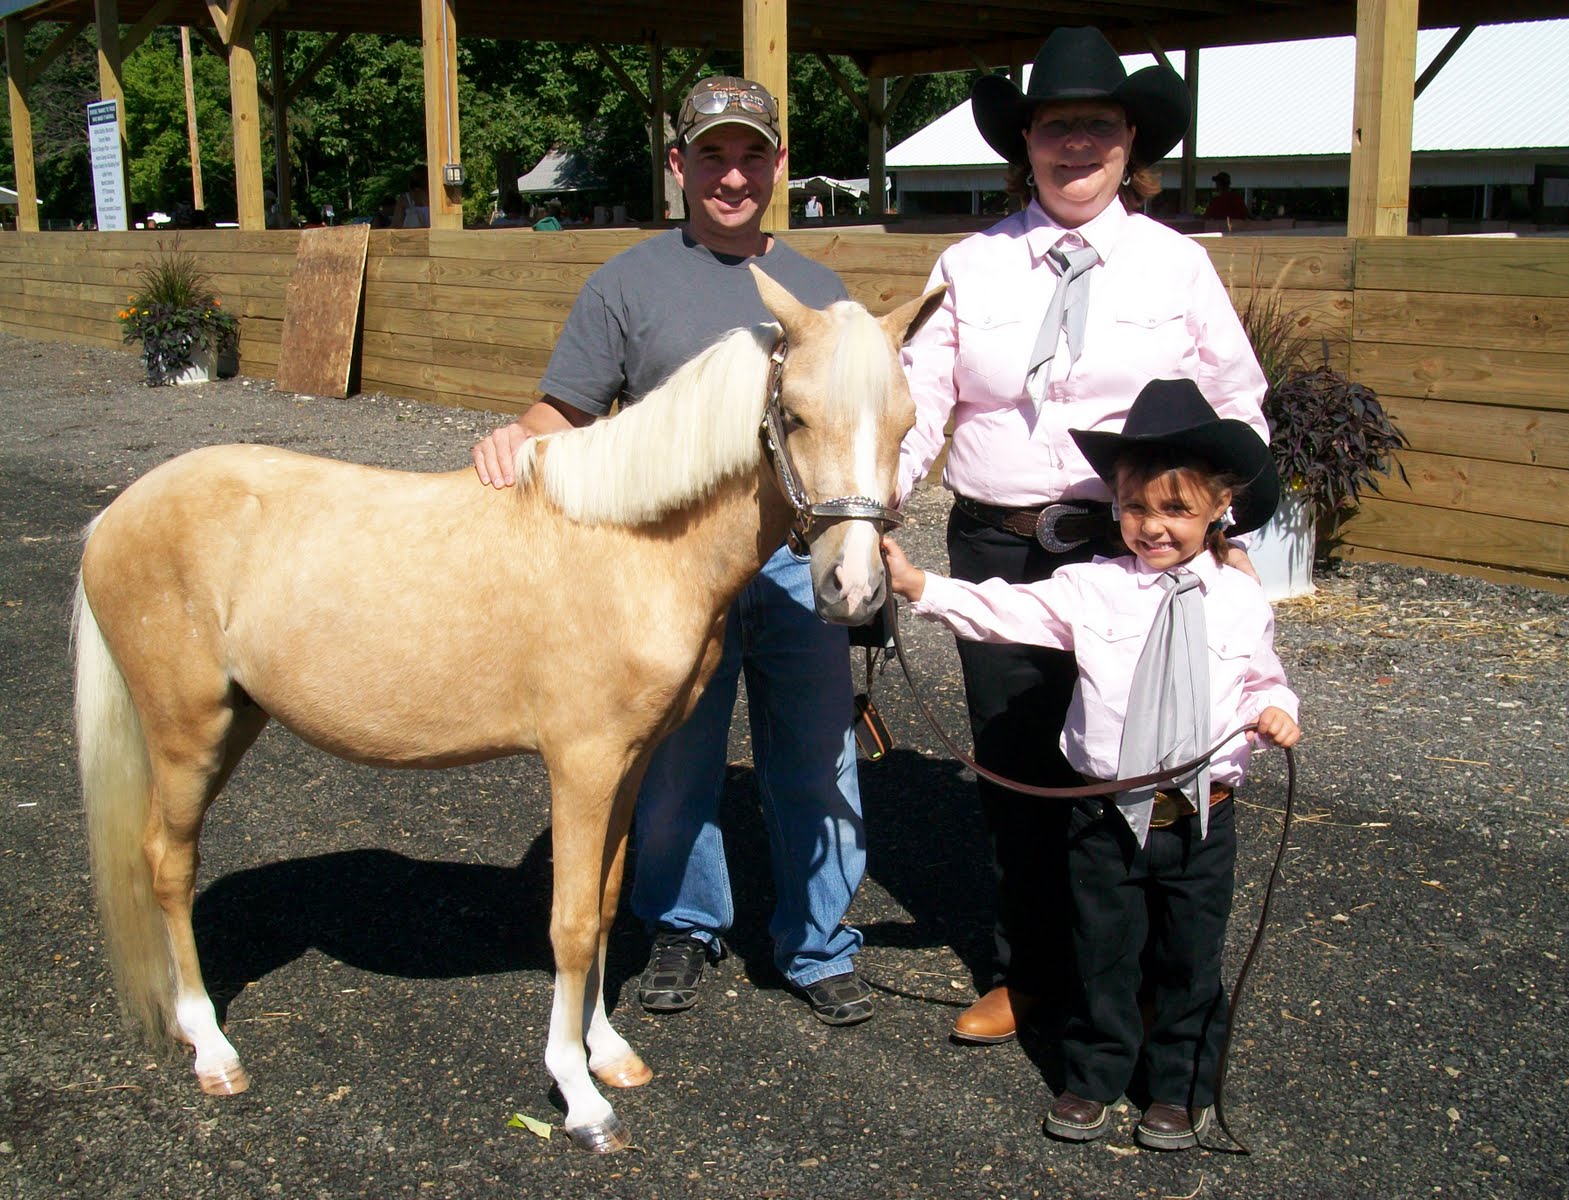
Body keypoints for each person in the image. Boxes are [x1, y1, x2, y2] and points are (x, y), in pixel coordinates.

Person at [470, 76, 875, 1025]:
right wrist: (513, 438)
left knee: (816, 752)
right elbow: (564, 410)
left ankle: (818, 943)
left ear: (778, 163)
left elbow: (851, 433)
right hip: (657, 569)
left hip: (793, 557)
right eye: (711, 156)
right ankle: (687, 925)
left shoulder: (824, 296)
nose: (731, 176)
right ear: (678, 165)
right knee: (674, 757)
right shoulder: (627, 284)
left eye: (750, 156)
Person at [895, 26, 1270, 1047]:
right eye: (1056, 127)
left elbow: (1238, 400)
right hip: (1003, 548)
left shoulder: (1176, 265)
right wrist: (871, 511)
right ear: (1025, 142)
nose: (1076, 147)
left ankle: (1142, 983)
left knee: (1142, 771)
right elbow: (921, 403)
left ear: (1128, 142)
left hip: (1136, 551)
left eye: (1096, 127)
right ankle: (1031, 974)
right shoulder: (966, 265)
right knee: (1017, 768)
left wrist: (1230, 527)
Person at [885, 378, 1301, 1148]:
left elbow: (1263, 677)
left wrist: (1280, 713)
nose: (1153, 526)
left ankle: (1177, 1088)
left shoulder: (1243, 601)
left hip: (1201, 817)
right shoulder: (1092, 588)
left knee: (1189, 958)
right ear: (1116, 505)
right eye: (1137, 507)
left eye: (1176, 510)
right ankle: (1095, 1077)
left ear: (1220, 510)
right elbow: (1005, 607)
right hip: (1103, 813)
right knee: (1103, 949)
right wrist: (920, 587)